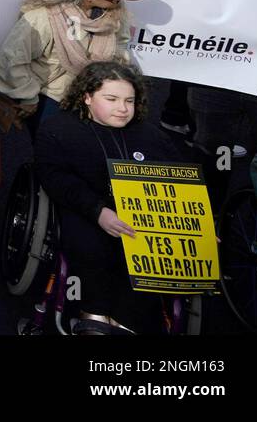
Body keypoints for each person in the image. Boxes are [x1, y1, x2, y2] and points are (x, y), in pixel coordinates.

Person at [33, 61, 188, 333]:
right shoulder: (58, 130)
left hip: (144, 216)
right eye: (112, 99)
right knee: (93, 248)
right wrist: (98, 211)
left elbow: (180, 182)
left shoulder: (152, 136)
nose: (123, 108)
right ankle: (94, 314)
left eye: (130, 100)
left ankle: (125, 322)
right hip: (86, 208)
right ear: (87, 96)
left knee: (147, 254)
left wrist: (199, 224)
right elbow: (56, 178)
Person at [0, 0, 148, 135]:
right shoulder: (42, 19)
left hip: (94, 96)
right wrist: (27, 97)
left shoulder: (113, 17)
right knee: (53, 148)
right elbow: (12, 62)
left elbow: (120, 45)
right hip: (50, 100)